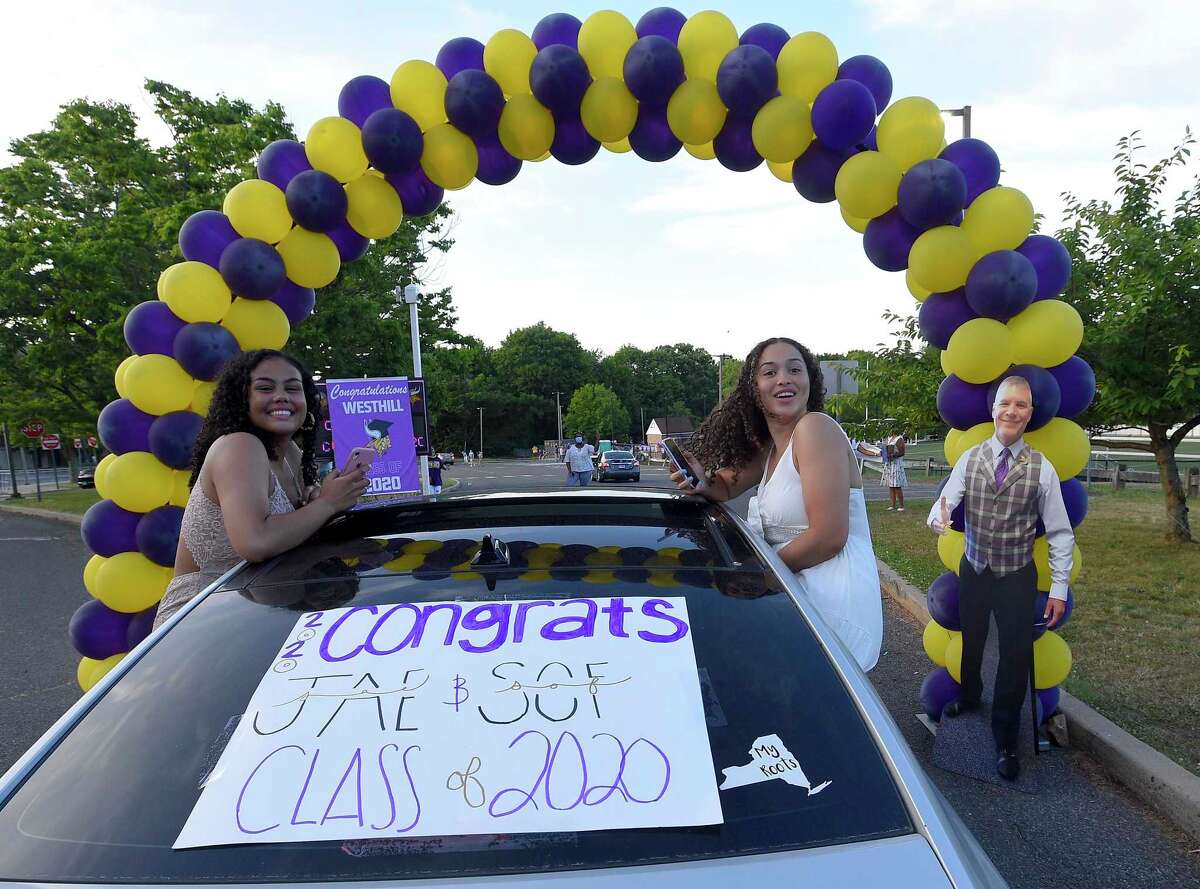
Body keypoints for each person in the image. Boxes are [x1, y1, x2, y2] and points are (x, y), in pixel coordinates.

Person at [671, 337, 883, 672]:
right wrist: (700, 480)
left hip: (830, 609)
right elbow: (726, 485)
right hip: (797, 600)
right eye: (770, 372)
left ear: (809, 381)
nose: (784, 378)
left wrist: (759, 575)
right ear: (754, 389)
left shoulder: (816, 429)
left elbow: (828, 536)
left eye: (794, 369)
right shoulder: (772, 448)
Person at [153, 350, 369, 629]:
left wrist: (321, 501)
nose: (281, 396)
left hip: (254, 614)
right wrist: (327, 504)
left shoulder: (290, 452)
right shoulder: (239, 445)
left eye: (293, 388)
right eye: (265, 388)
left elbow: (289, 532)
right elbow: (255, 542)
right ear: (242, 399)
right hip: (200, 622)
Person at [929, 375, 1074, 781]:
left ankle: (1006, 736)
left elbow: (1060, 532)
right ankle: (971, 696)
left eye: (1022, 405)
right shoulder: (970, 458)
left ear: (1030, 414)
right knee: (973, 639)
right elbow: (945, 501)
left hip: (1015, 574)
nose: (1012, 410)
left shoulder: (1041, 468)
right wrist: (938, 520)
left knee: (1013, 655)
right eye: (1006, 403)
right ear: (994, 410)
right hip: (974, 570)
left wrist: (1058, 588)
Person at [881, 432, 908, 510]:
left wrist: (893, 455)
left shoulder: (899, 438)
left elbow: (902, 452)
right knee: (891, 485)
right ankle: (893, 505)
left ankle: (901, 506)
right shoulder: (888, 438)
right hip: (889, 464)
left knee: (897, 486)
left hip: (896, 464)